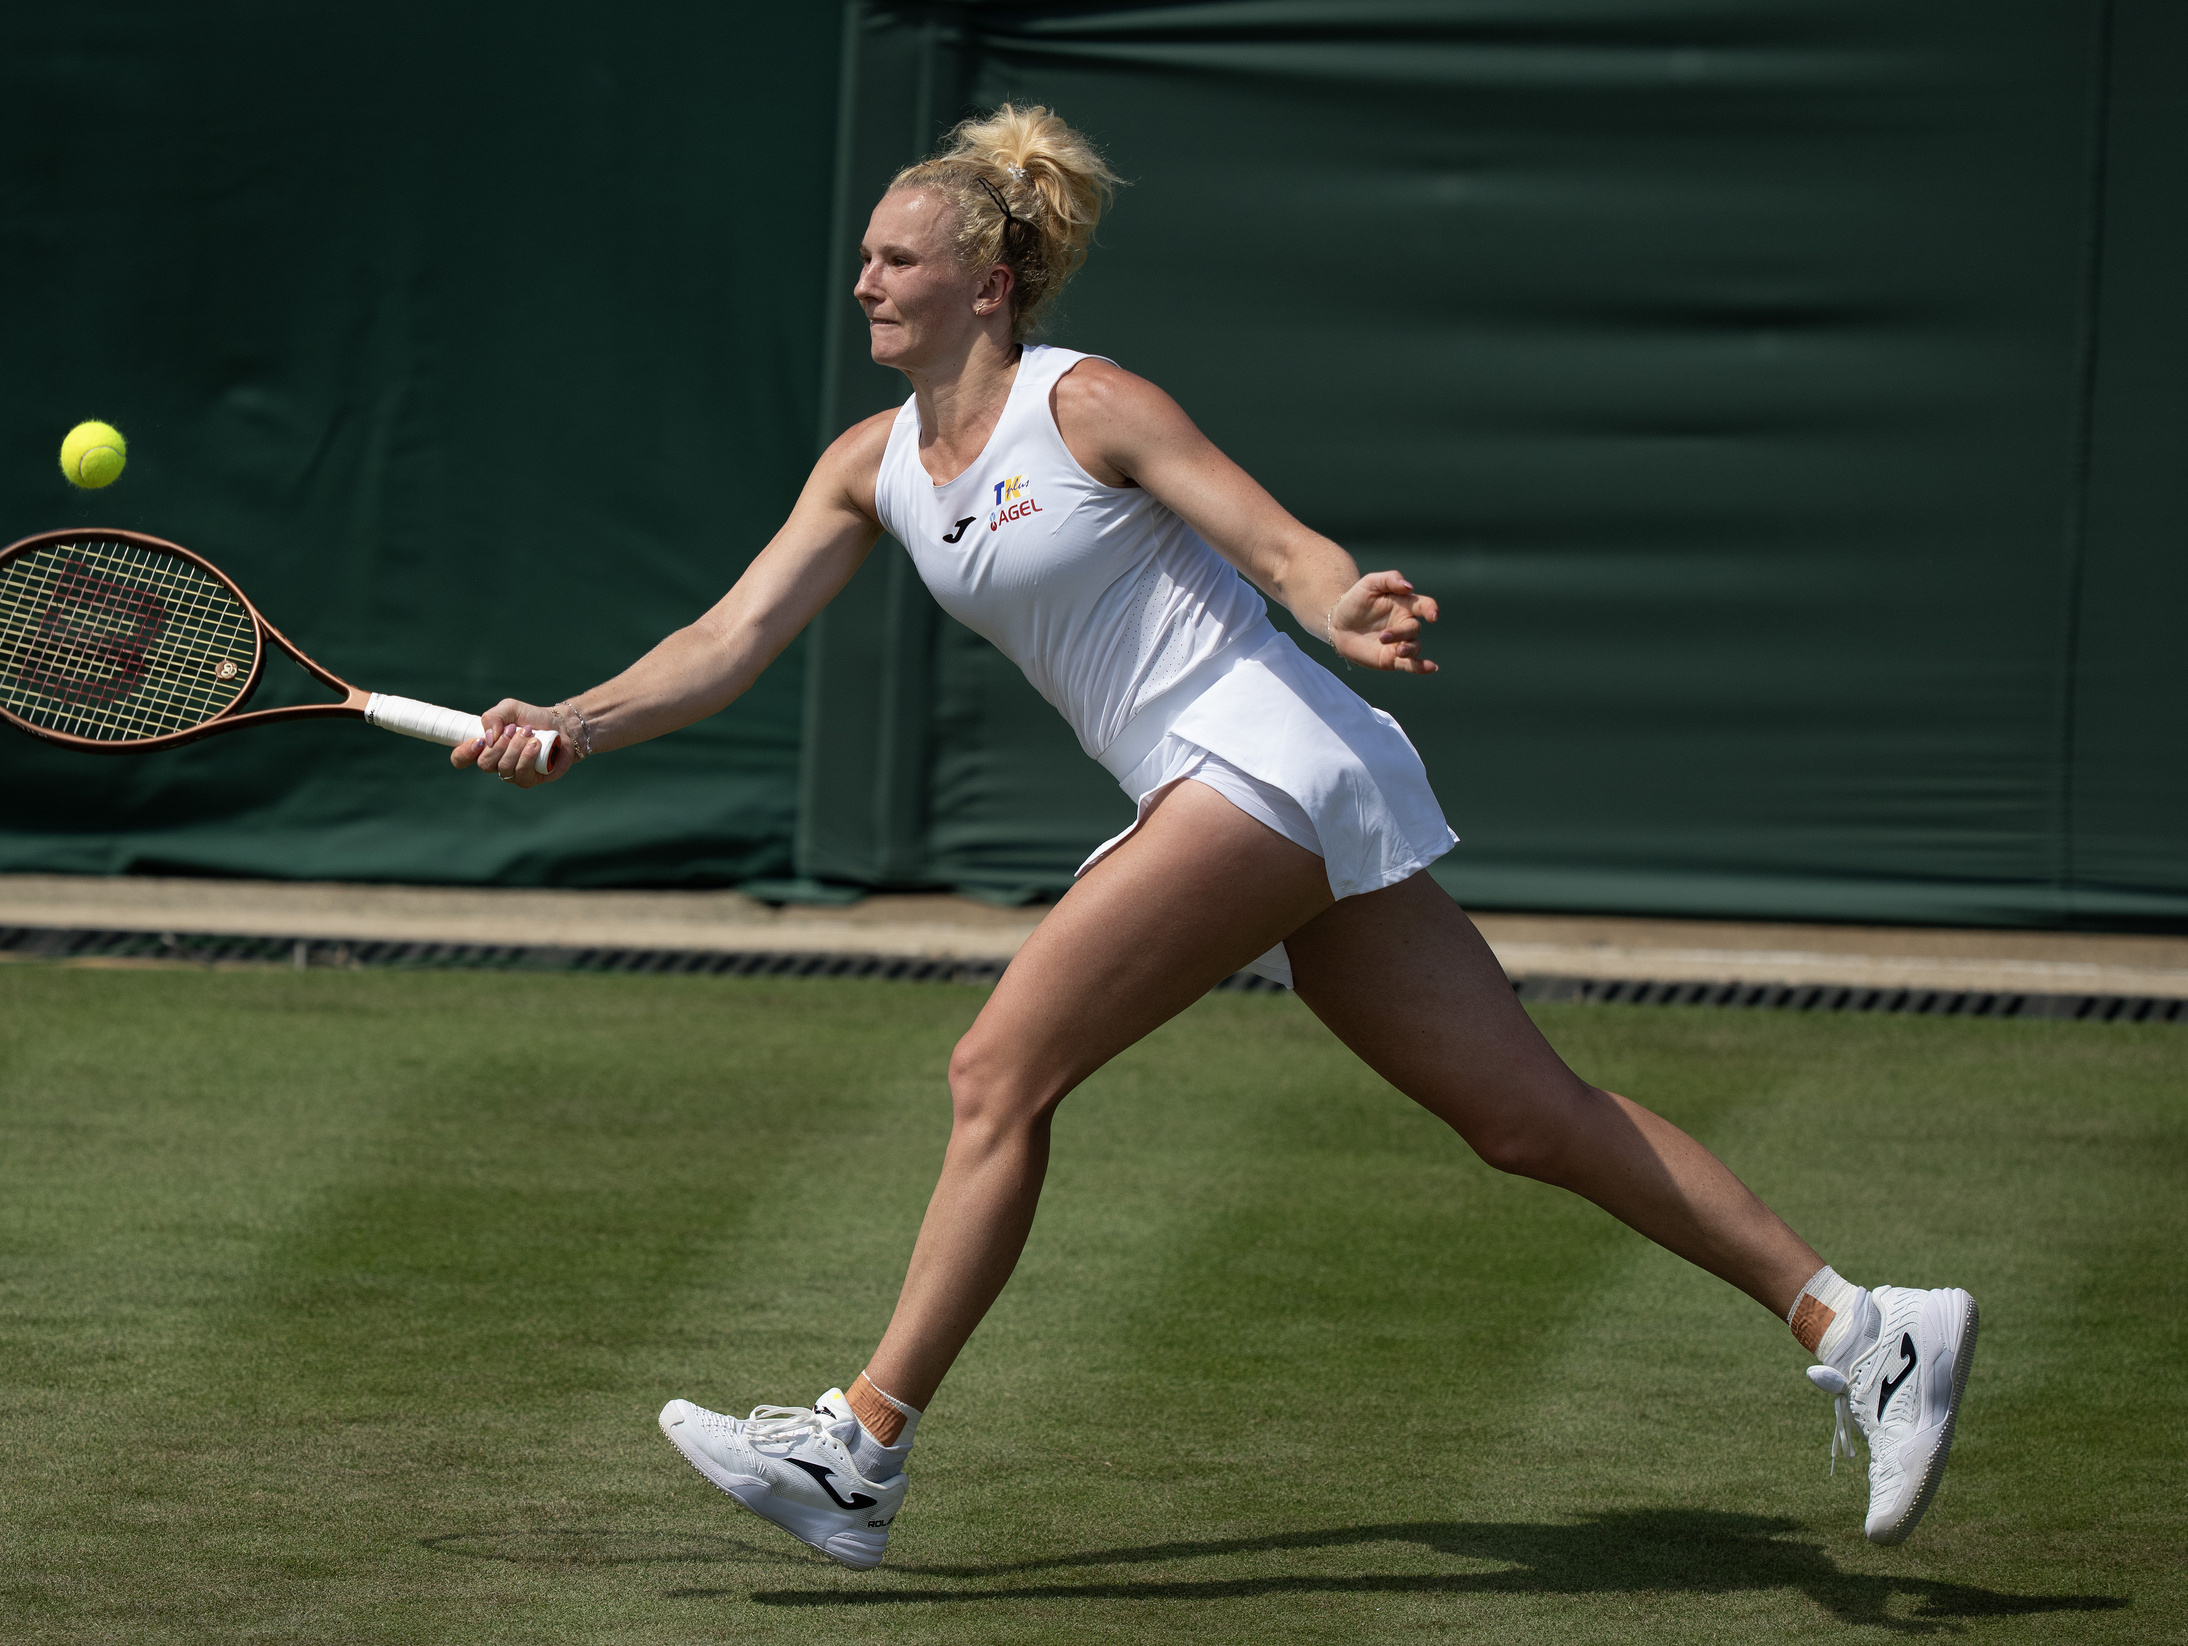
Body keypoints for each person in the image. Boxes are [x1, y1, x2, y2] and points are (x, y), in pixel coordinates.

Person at [452, 104, 1974, 1571]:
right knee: (1525, 1118)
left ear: (983, 283)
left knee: (999, 1068)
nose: (865, 281)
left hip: (1261, 755)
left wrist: (1342, 602)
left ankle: (861, 1443)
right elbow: (728, 634)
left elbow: (1273, 541)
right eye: (864, 258)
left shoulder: (1085, 400)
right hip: (1248, 785)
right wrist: (575, 720)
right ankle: (1863, 1324)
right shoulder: (870, 463)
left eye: (896, 261)